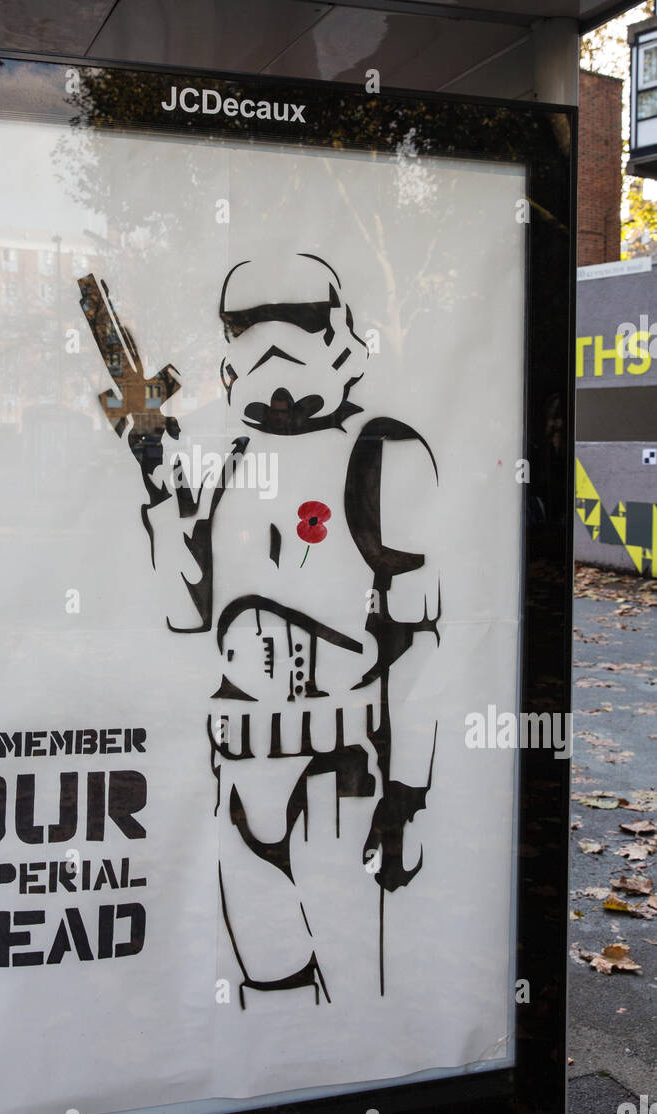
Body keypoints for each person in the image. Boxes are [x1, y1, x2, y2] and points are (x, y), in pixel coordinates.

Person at [82, 252, 440, 1005]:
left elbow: (417, 638)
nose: (270, 347)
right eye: (245, 330)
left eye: (300, 323)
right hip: (244, 765)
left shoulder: (383, 451)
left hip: (343, 766)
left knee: (354, 978)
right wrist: (160, 488)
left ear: (342, 338)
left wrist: (408, 793)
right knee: (268, 975)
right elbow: (190, 611)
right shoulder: (228, 461)